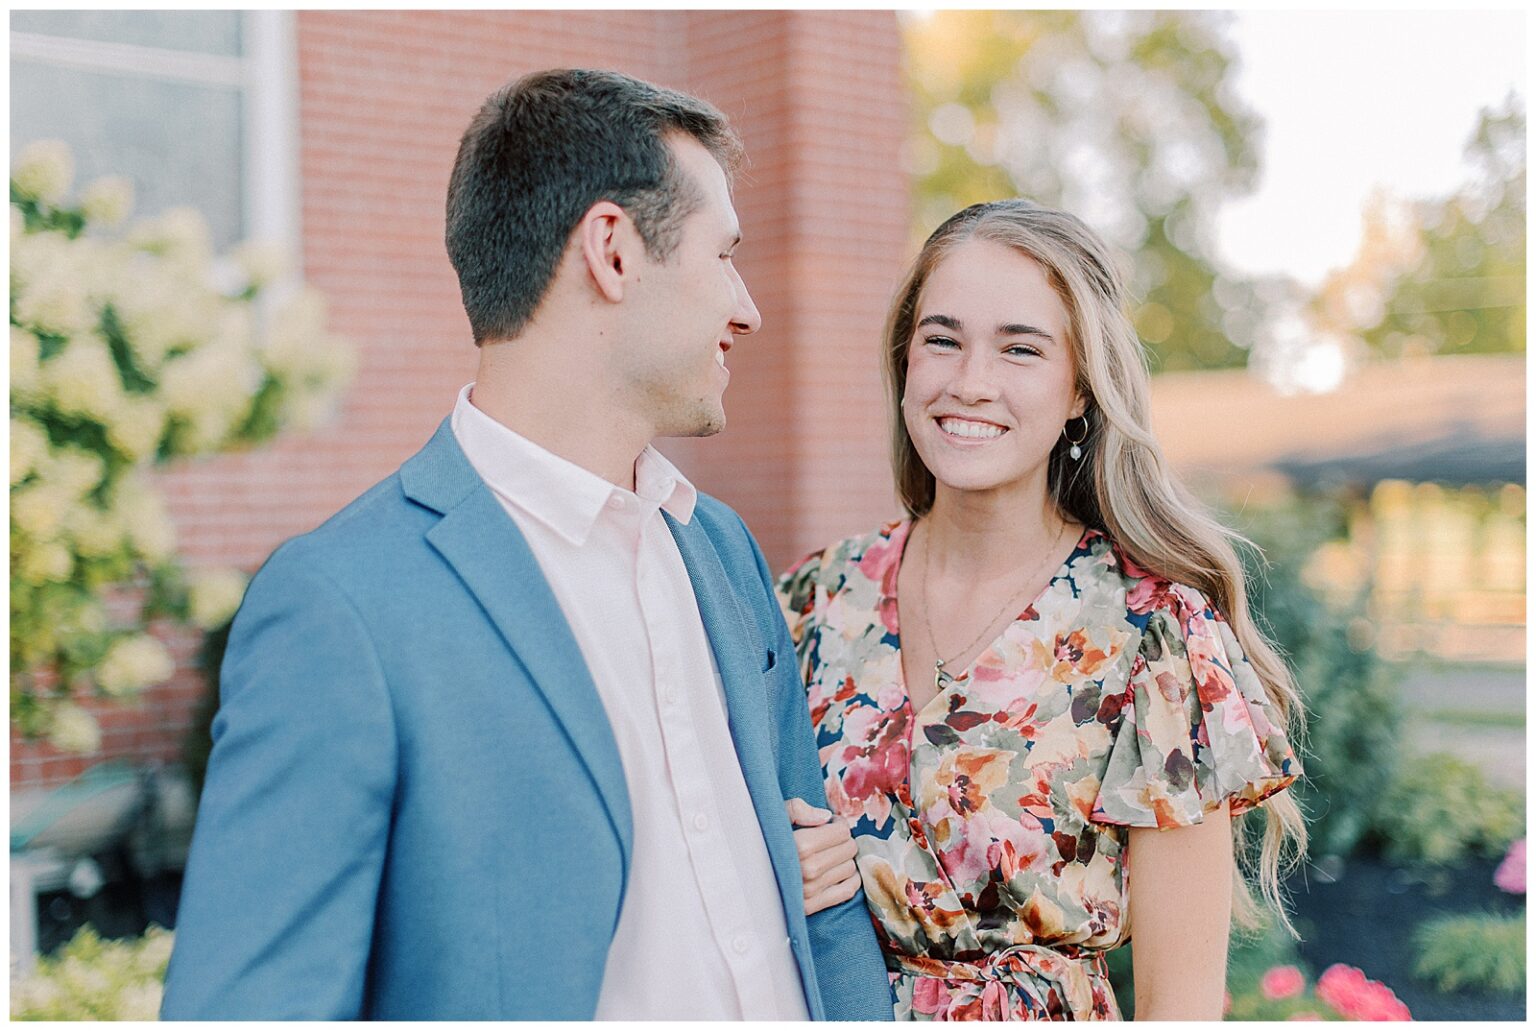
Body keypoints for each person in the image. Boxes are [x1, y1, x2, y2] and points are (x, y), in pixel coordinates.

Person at [162, 68, 891, 1021]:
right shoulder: (343, 604)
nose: (747, 308)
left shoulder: (718, 547)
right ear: (614, 251)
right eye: (724, 256)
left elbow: (817, 881)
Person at [776, 200, 1307, 1021]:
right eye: (942, 339)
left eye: (1020, 348)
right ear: (905, 361)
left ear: (1079, 392)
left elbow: (1181, 1010)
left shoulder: (1154, 634)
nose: (969, 382)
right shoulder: (813, 600)